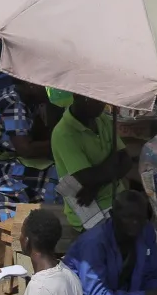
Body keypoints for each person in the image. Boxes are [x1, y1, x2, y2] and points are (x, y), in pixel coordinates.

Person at [0, 78, 59, 211]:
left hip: (6, 160)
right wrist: (59, 143)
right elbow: (26, 149)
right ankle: (56, 217)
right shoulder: (13, 104)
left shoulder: (29, 99)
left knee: (49, 173)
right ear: (31, 83)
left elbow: (40, 134)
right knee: (51, 178)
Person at [50, 92, 133, 239]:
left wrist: (95, 186)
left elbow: (126, 161)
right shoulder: (63, 133)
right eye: (92, 99)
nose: (99, 104)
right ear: (76, 96)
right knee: (121, 241)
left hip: (116, 197)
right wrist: (113, 161)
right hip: (89, 209)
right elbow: (87, 178)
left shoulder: (102, 118)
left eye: (100, 99)